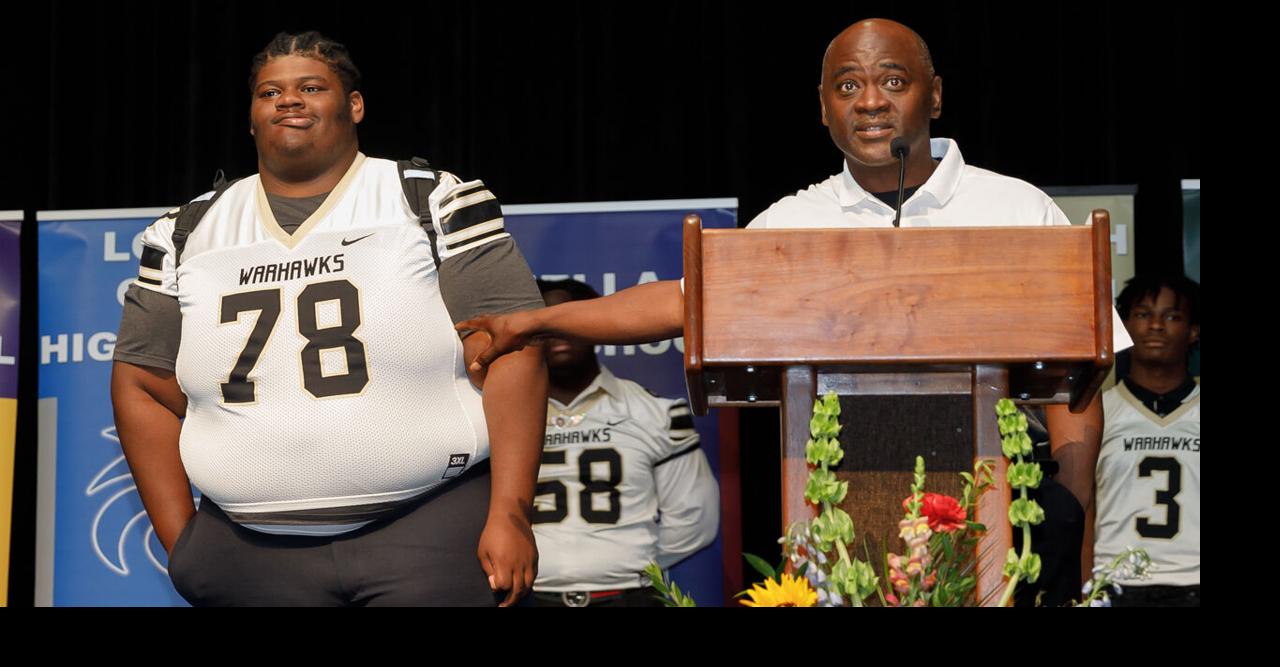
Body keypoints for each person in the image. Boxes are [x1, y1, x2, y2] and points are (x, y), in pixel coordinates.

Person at [458, 18, 1119, 602]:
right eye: (847, 85)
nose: (870, 101)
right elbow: (680, 305)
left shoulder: (1016, 209)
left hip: (1006, 510)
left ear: (935, 95)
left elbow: (1079, 371)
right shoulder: (795, 221)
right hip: (840, 511)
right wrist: (534, 321)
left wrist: (1077, 508)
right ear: (824, 107)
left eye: (892, 80)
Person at [110, 31, 547, 606]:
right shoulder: (185, 231)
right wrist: (183, 542)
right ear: (251, 117)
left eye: (310, 87)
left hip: (427, 530)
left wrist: (511, 511)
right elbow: (139, 380)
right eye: (270, 92)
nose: (288, 101)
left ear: (355, 105)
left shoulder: (431, 200)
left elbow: (514, 347)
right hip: (249, 552)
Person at [530, 280, 719, 607]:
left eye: (569, 319)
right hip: (528, 597)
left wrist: (629, 564)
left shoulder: (656, 411)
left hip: (629, 597)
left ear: (598, 327)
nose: (559, 333)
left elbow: (695, 517)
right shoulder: (501, 418)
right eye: (548, 324)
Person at [1094, 275, 1200, 607]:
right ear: (1125, 327)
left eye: (1171, 316)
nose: (1156, 325)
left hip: (1194, 581)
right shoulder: (1098, 411)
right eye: (1142, 314)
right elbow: (1079, 507)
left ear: (1193, 330)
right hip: (1115, 582)